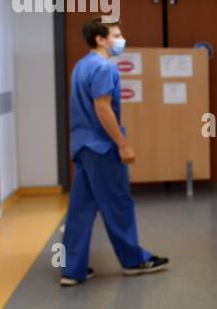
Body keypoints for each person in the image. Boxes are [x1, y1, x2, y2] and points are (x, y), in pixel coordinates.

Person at [60, 19, 169, 287]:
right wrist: (122, 144)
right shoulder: (104, 67)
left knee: (81, 208)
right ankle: (133, 260)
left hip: (84, 147)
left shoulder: (81, 66)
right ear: (100, 39)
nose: (122, 39)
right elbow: (103, 109)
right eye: (117, 35)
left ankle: (72, 270)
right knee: (118, 203)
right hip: (102, 147)